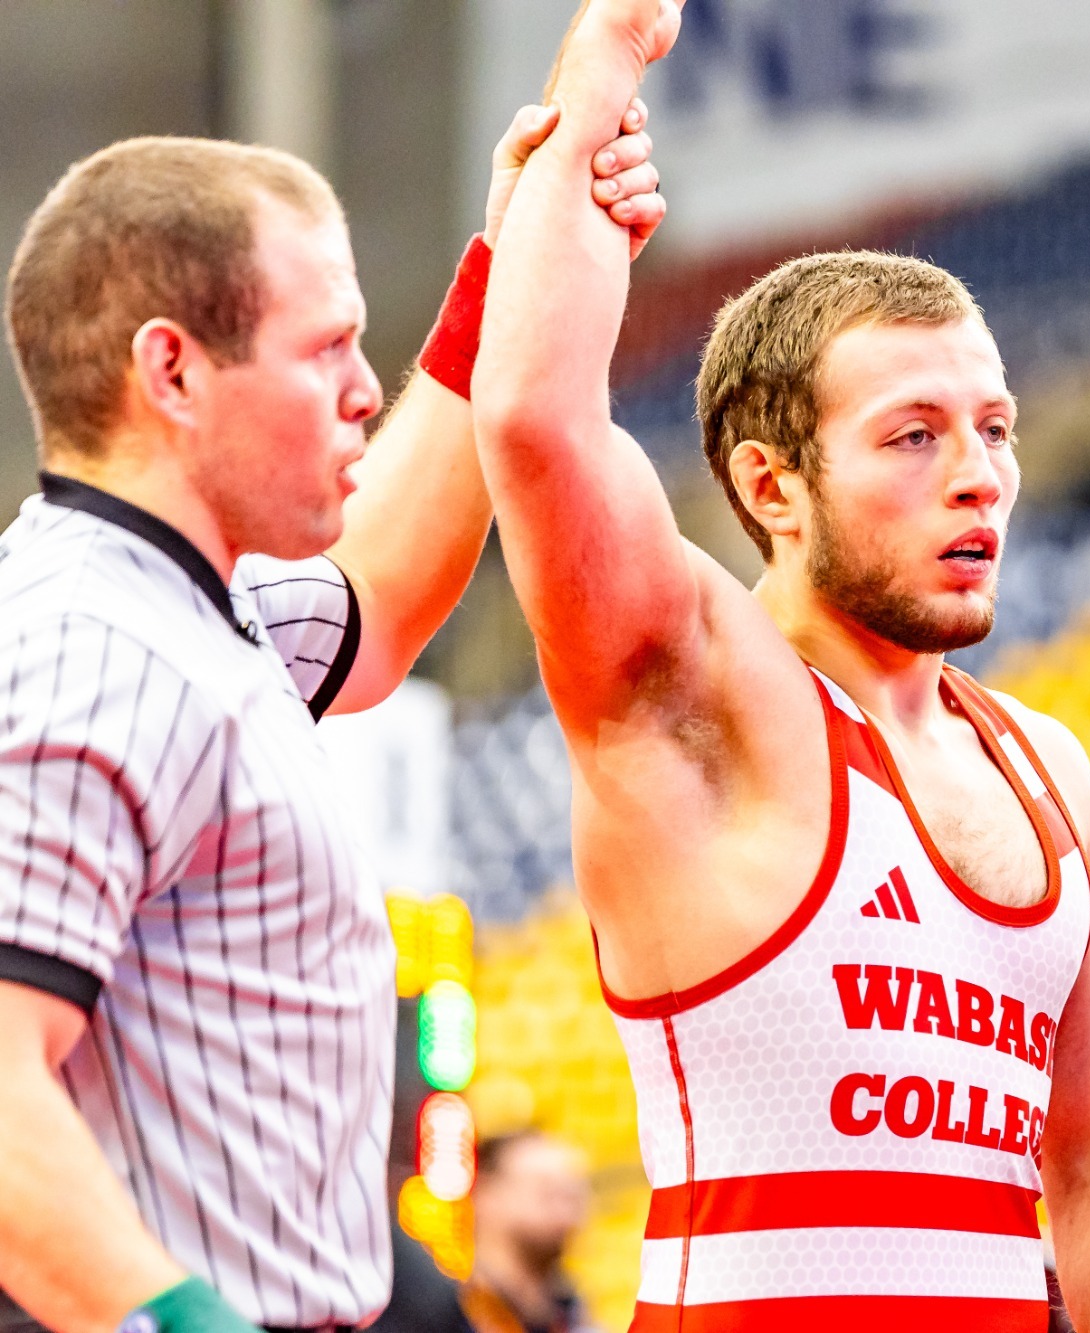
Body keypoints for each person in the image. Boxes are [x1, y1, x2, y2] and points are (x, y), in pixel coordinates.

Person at [470, 2, 1090, 1328]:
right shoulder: (696, 695)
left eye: (994, 428)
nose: (981, 478)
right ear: (773, 486)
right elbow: (533, 425)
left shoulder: (1044, 771)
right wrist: (607, 60)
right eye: (914, 436)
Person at [0, 97, 662, 1330]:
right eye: (326, 350)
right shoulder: (89, 649)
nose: (364, 388)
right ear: (172, 371)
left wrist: (517, 263)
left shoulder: (196, 609)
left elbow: (383, 587)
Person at [458, 1133, 598, 1333]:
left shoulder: (574, 1318)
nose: (565, 1210)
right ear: (486, 1195)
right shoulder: (445, 1313)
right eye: (547, 1190)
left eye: (572, 1194)